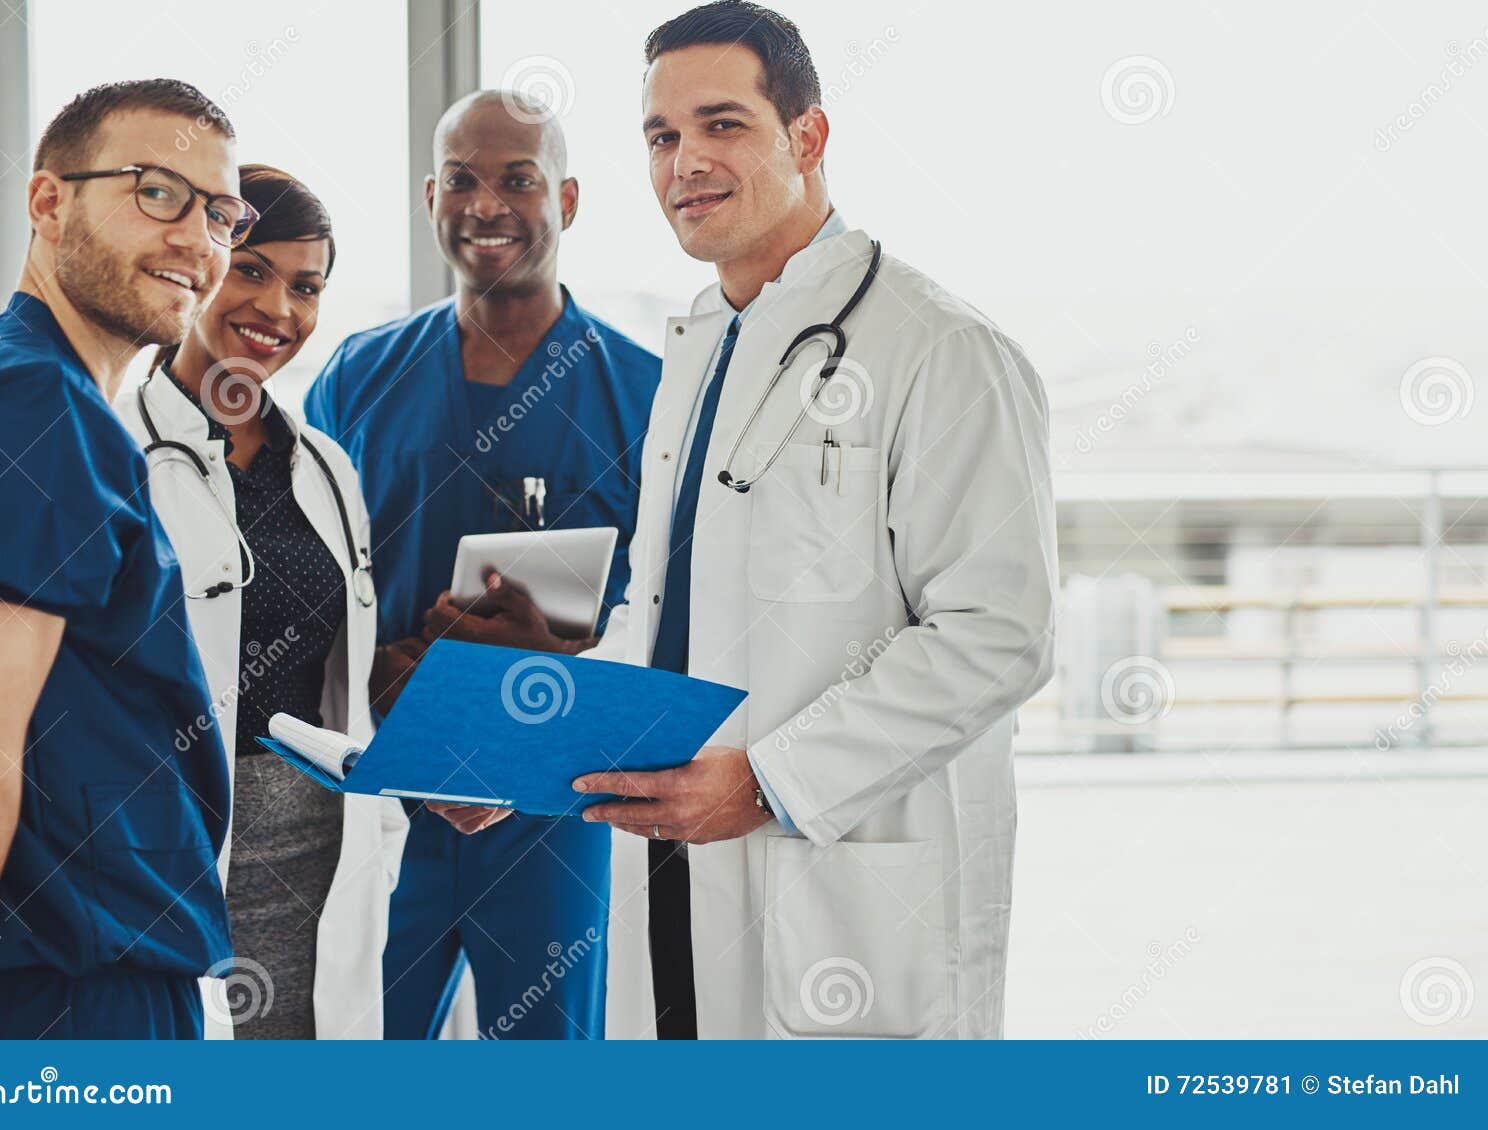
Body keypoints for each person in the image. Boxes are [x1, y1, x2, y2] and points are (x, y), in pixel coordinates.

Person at [573, 1, 1058, 1040]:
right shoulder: (699, 350)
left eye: (723, 124)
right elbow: (666, 614)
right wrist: (527, 748)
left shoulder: (940, 348)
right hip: (676, 873)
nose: (685, 163)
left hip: (839, 886)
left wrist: (769, 782)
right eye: (661, 136)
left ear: (809, 135)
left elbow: (1000, 633)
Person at [0, 80, 247, 1039]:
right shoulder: (32, 407)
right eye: (157, 193)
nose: (198, 241)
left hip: (53, 975)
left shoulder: (11, 380)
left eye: (221, 214)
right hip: (61, 998)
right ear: (48, 202)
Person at [305, 91, 661, 1040]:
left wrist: (554, 679)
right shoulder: (358, 377)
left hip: (553, 807)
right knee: (358, 1046)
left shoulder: (646, 397)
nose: (486, 205)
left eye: (519, 179)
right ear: (430, 198)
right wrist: (378, 675)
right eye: (460, 179)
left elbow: (669, 618)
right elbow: (310, 592)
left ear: (568, 200)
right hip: (385, 789)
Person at [115, 165, 408, 1040]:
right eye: (252, 269)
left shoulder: (328, 469)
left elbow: (345, 681)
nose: (278, 308)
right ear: (200, 265)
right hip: (170, 856)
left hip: (324, 861)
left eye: (306, 287)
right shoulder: (114, 450)